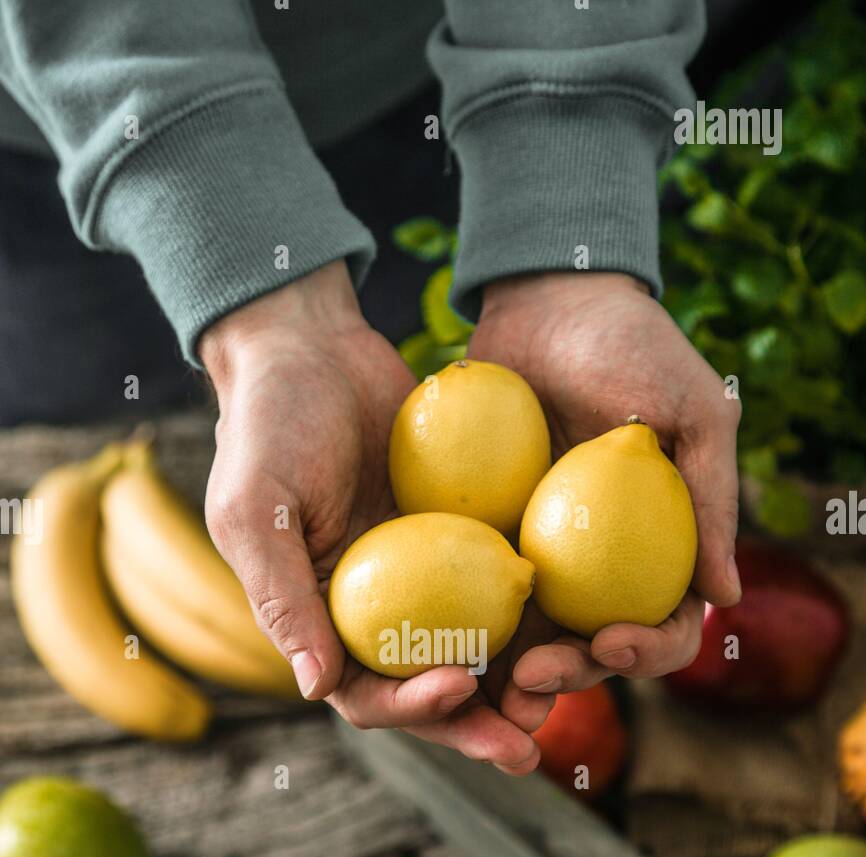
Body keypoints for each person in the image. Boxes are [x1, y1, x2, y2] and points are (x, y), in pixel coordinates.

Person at [0, 1, 741, 774]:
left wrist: (565, 239)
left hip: (429, 65)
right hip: (88, 116)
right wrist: (266, 321)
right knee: (80, 383)